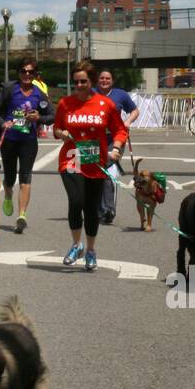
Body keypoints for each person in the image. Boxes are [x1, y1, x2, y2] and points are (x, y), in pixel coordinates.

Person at [53, 60, 128, 272]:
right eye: (76, 82)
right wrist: (61, 133)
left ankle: (91, 250)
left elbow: (120, 130)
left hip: (96, 161)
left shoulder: (105, 104)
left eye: (83, 81)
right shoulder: (65, 103)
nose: (79, 85)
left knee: (92, 210)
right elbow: (57, 128)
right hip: (71, 158)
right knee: (76, 201)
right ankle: (76, 245)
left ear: (91, 81)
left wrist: (116, 148)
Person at [0, 58, 55, 233]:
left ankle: (22, 215)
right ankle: (8, 195)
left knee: (25, 177)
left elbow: (52, 115)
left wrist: (38, 118)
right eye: (24, 71)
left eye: (30, 72)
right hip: (9, 140)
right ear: (18, 73)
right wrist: (3, 123)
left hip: (28, 141)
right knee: (10, 178)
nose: (27, 75)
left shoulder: (39, 94)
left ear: (35, 74)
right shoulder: (10, 89)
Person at [95, 70, 140, 224]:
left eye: (107, 78)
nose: (104, 81)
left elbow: (135, 110)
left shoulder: (120, 94)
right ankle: (98, 209)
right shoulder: (91, 93)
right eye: (102, 78)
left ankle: (108, 209)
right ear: (97, 80)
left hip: (115, 140)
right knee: (95, 174)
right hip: (95, 140)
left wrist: (127, 121)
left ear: (112, 81)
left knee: (106, 172)